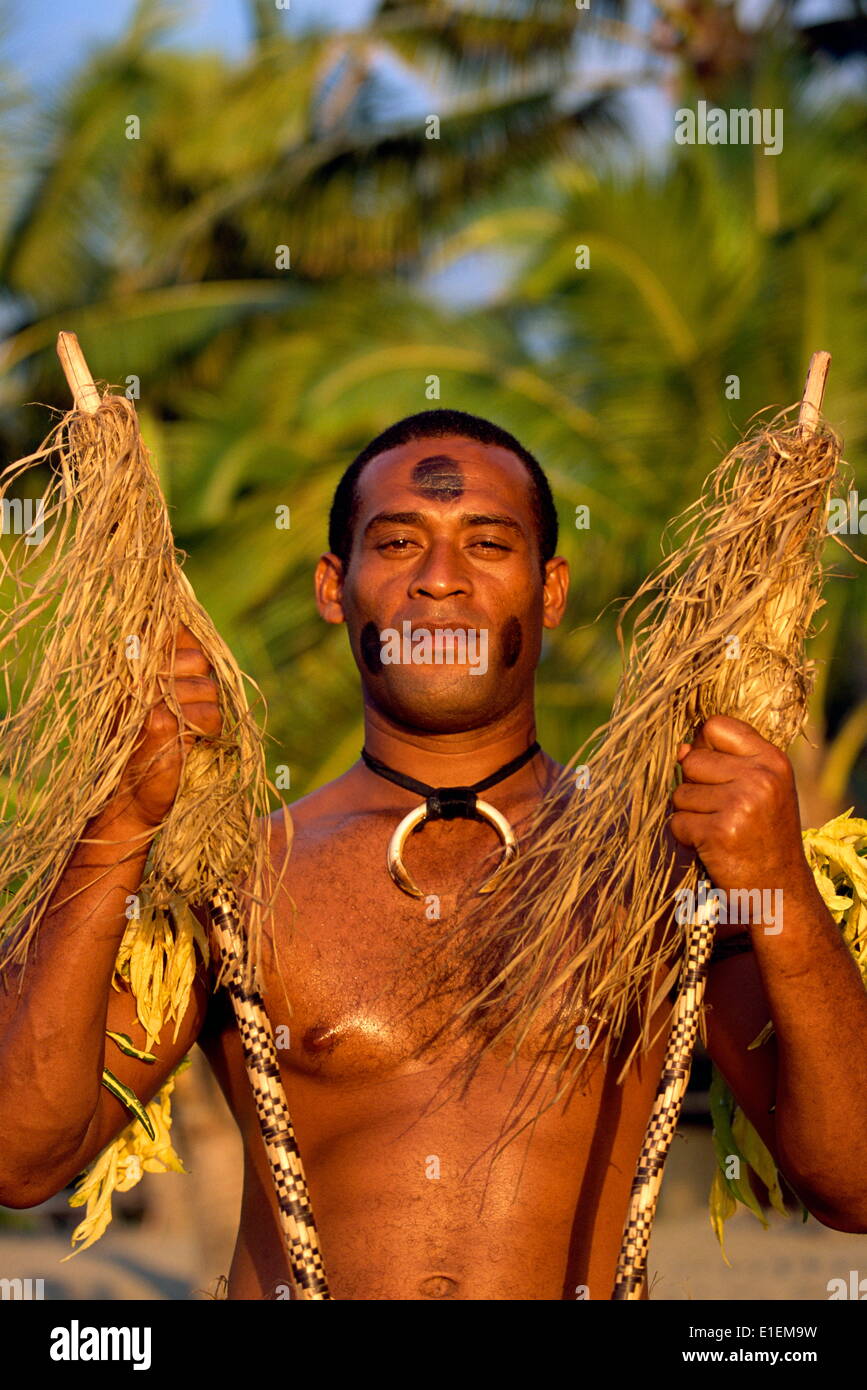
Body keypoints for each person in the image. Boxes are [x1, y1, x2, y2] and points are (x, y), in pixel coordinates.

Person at [2, 408, 867, 1301]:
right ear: (335, 587)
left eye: (487, 545)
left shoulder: (659, 876)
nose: (440, 582)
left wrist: (779, 885)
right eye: (399, 544)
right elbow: (22, 1161)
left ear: (551, 589)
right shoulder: (237, 878)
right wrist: (117, 821)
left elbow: (853, 1187)